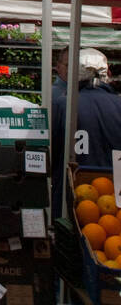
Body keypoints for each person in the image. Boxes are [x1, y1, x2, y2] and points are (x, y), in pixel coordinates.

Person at [52, 47, 121, 210]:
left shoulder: (64, 104)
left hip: (69, 198)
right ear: (107, 74)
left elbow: (51, 152)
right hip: (112, 201)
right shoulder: (119, 105)